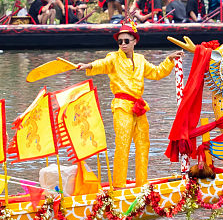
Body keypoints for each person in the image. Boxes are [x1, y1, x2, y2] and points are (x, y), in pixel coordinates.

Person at [72, 23, 176, 188]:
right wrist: (88, 65)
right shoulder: (113, 58)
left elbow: (156, 73)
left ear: (135, 41)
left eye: (126, 40)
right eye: (120, 42)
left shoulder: (140, 60)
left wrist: (169, 60)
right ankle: (119, 184)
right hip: (122, 106)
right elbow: (102, 64)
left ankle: (142, 183)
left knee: (143, 143)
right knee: (123, 144)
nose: (123, 44)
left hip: (139, 107)